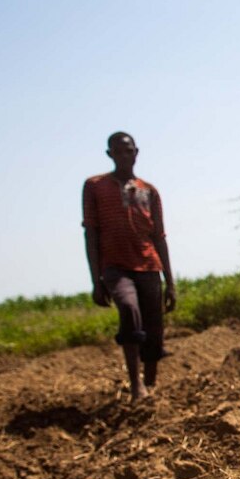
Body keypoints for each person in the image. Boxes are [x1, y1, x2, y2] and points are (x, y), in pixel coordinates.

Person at [83, 132, 176, 402]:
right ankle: (136, 385)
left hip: (148, 264)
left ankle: (151, 382)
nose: (124, 156)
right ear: (110, 154)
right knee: (128, 308)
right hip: (115, 265)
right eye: (118, 151)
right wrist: (96, 280)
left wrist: (170, 282)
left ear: (136, 153)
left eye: (129, 151)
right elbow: (91, 234)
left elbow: (159, 237)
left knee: (153, 324)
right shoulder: (95, 187)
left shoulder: (149, 190)